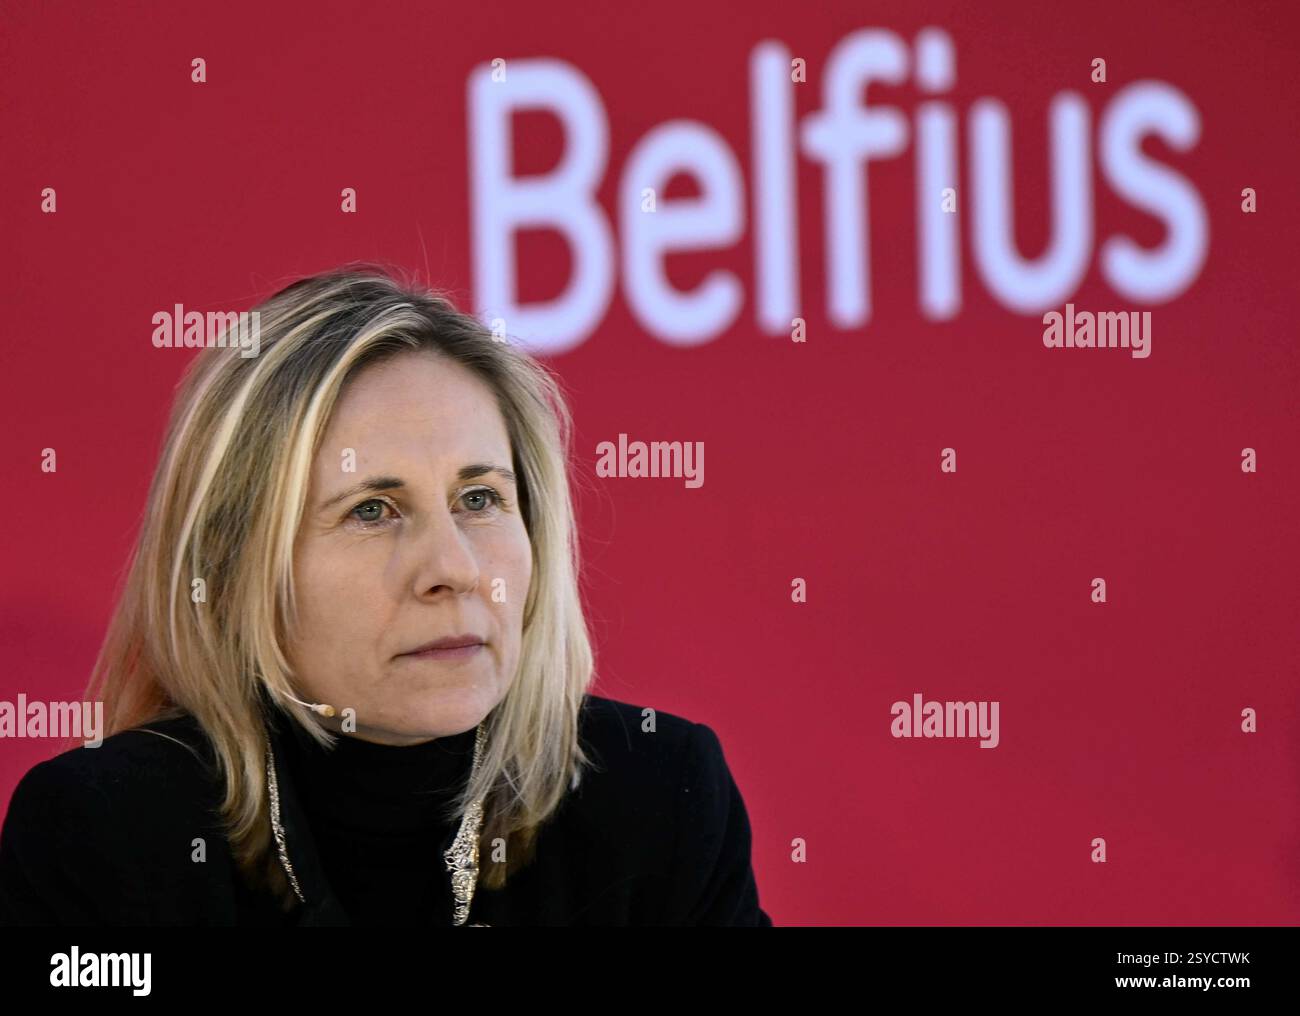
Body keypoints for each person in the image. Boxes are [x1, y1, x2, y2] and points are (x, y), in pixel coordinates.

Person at [0, 265, 772, 926]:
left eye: (479, 499)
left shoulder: (659, 798)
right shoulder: (104, 835)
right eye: (372, 510)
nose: (454, 568)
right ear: (233, 568)